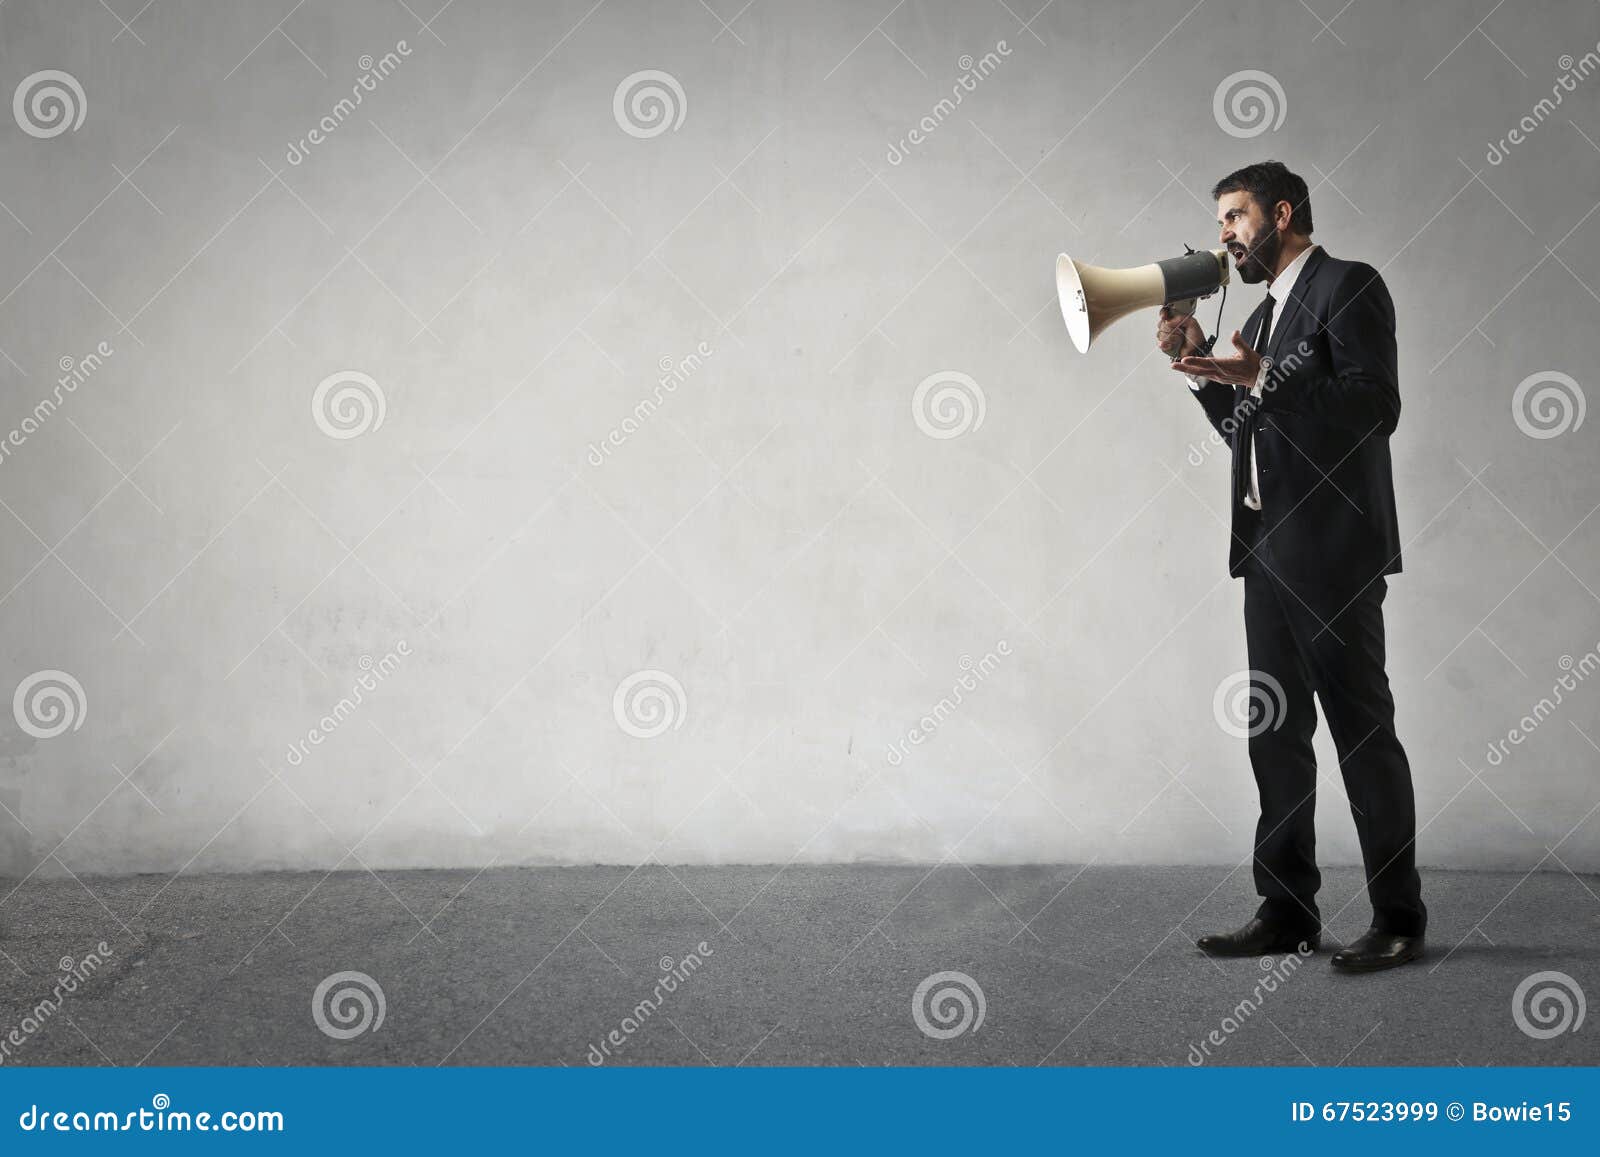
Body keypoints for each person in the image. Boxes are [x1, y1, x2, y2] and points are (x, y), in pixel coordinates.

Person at [1158, 160, 1426, 973]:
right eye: (1219, 225)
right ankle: (1287, 910)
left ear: (1281, 213)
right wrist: (1204, 365)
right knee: (1274, 735)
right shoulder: (1268, 314)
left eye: (1235, 218)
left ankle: (1399, 916)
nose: (1224, 237)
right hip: (1268, 554)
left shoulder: (1348, 284)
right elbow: (1260, 428)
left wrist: (1264, 377)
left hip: (1334, 558)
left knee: (1361, 734)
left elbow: (1375, 405)